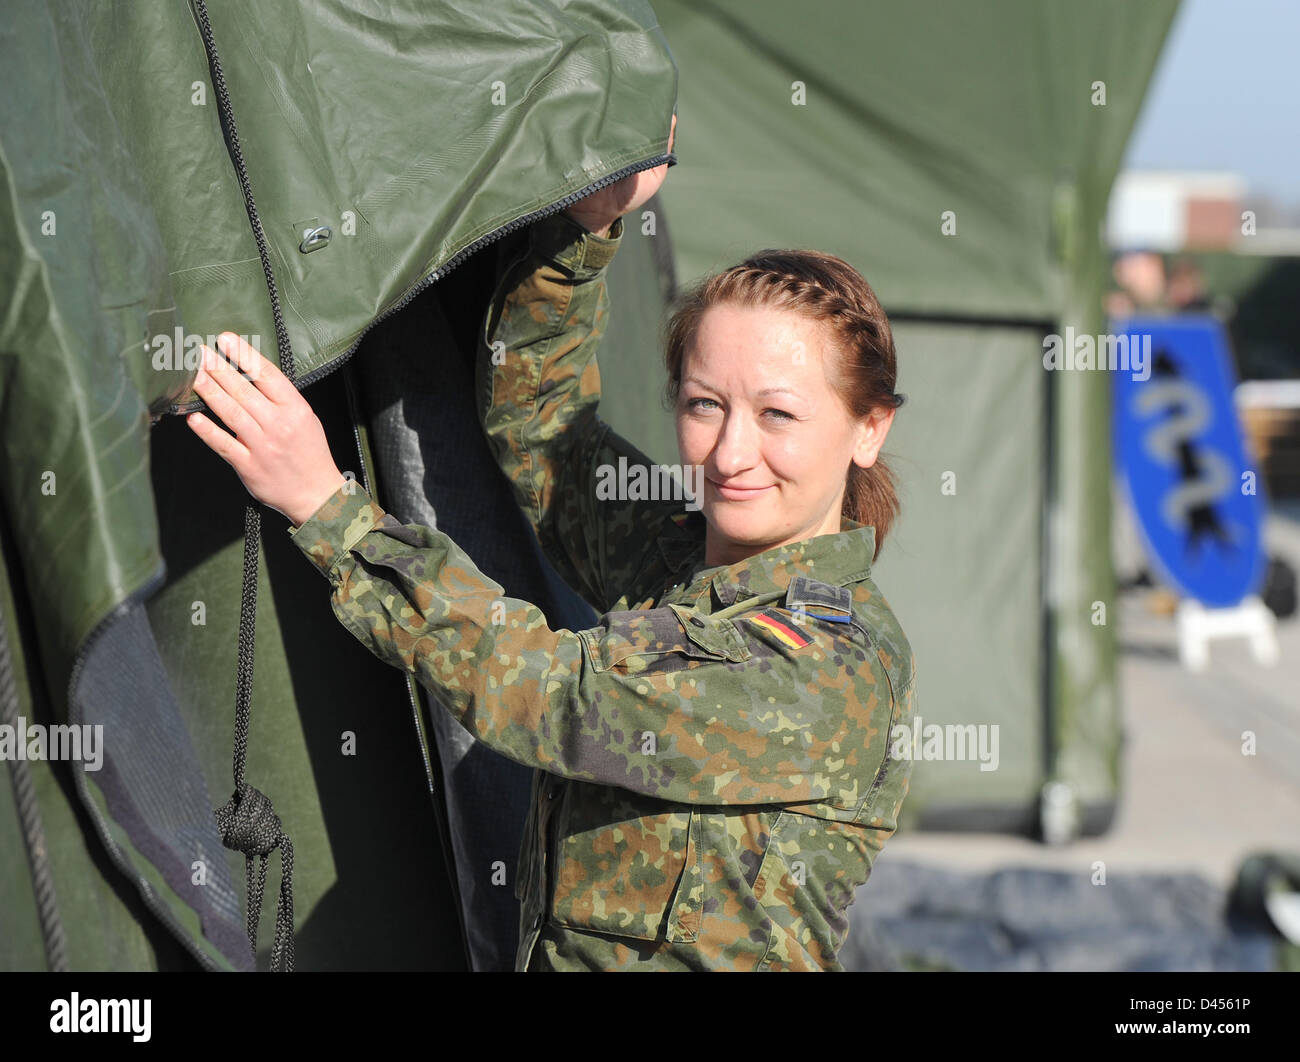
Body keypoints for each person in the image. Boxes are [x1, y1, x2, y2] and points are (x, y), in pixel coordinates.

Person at [185, 115, 918, 971]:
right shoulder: (689, 563)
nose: (729, 453)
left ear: (869, 428)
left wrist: (328, 507)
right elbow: (544, 434)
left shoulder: (830, 670)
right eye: (704, 404)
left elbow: (557, 698)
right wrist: (586, 229)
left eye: (779, 415)